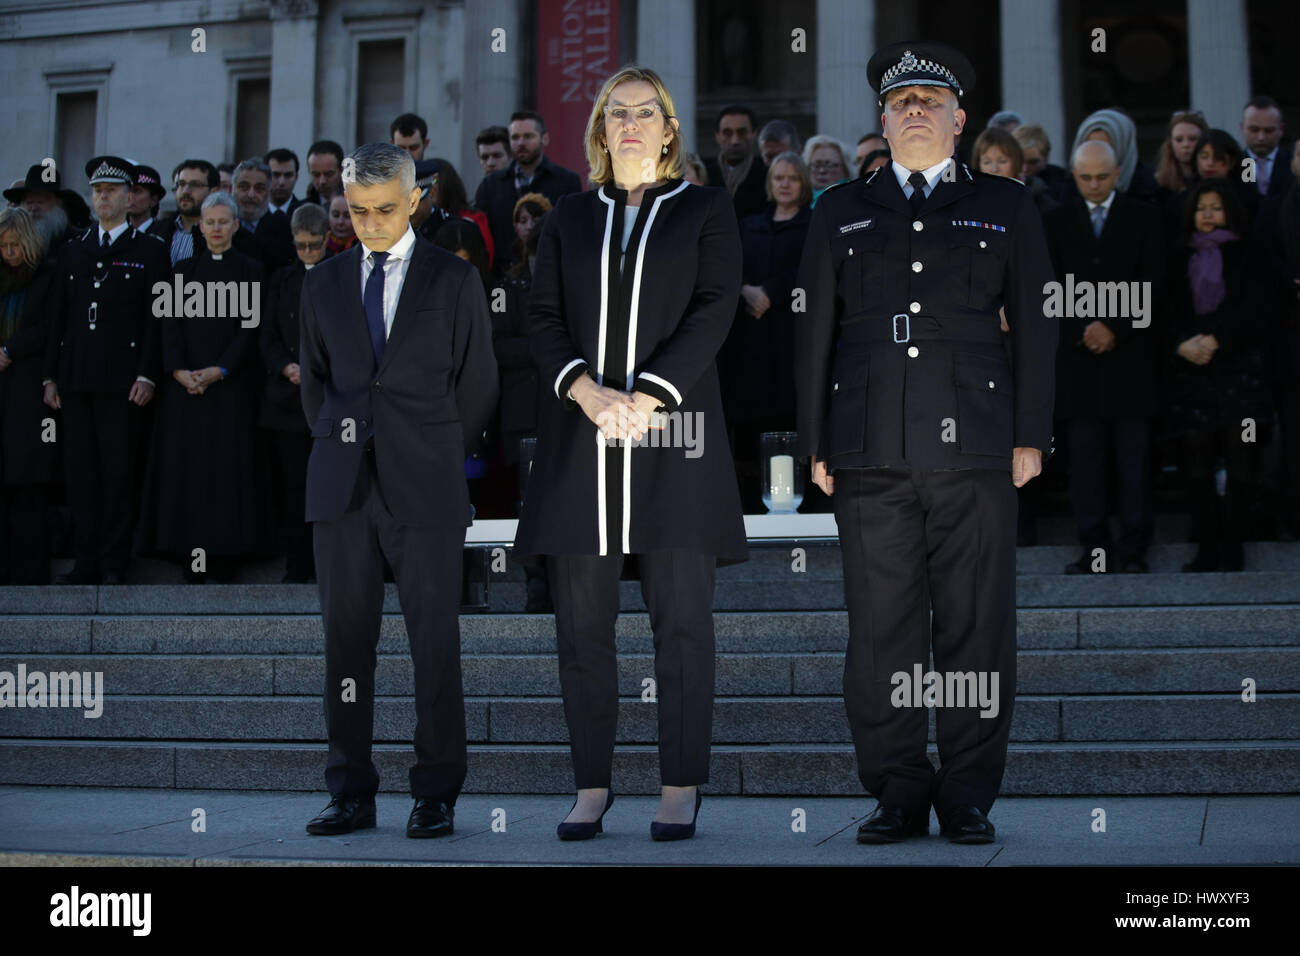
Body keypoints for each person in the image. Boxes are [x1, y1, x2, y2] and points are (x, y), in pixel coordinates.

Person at [795, 42, 1056, 845]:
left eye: (929, 99)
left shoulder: (1006, 205)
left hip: (977, 450)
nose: (914, 109)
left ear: (959, 118)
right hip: (869, 450)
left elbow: (1040, 327)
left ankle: (968, 790)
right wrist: (815, 442)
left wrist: (1031, 436)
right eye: (901, 99)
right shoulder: (841, 209)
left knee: (977, 627)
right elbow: (814, 336)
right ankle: (899, 786)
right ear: (881, 117)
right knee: (881, 633)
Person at [513, 65, 747, 842]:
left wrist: (646, 396)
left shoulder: (706, 209)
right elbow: (540, 318)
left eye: (647, 112)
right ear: (601, 131)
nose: (633, 124)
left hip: (675, 439)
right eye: (618, 114)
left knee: (682, 623)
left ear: (671, 129)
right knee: (582, 629)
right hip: (584, 444)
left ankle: (679, 784)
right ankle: (591, 785)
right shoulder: (569, 219)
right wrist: (587, 392)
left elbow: (715, 308)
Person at [299, 143, 498, 839]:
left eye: (385, 209)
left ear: (415, 200)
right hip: (342, 486)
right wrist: (347, 442)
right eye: (357, 211)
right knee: (344, 646)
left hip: (427, 484)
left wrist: (432, 450)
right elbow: (316, 387)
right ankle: (350, 791)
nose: (372, 223)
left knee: (434, 644)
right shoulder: (321, 283)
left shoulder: (454, 279)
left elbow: (478, 385)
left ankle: (436, 791)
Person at [42, 156, 170, 585]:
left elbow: (158, 320)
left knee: (118, 474)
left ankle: (115, 562)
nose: (103, 198)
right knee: (81, 475)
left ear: (130, 197)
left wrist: (148, 373)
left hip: (124, 382)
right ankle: (86, 560)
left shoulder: (150, 251)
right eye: (98, 191)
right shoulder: (74, 250)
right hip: (77, 380)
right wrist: (49, 376)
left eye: (112, 191)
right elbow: (57, 318)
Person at [135, 192, 271, 582]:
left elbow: (250, 329)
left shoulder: (250, 270)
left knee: (227, 474)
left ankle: (226, 557)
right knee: (188, 475)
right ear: (201, 227)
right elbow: (168, 327)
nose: (215, 229)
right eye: (209, 222)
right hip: (185, 394)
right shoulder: (181, 272)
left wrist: (221, 369)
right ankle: (189, 557)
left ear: (235, 225)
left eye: (222, 222)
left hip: (229, 392)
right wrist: (179, 371)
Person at [1046, 140, 1164, 574]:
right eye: (1085, 178)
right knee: (1085, 464)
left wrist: (1116, 327)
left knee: (1134, 463)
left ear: (1117, 174)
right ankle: (1093, 550)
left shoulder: (1145, 218)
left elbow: (1155, 283)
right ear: (1074, 176)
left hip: (1131, 363)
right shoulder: (1055, 222)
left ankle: (1134, 551)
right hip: (1078, 366)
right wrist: (1083, 328)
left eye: (1101, 177)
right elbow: (1047, 287)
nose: (1093, 185)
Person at [1165, 179, 1271, 571]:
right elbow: (1164, 308)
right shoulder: (1176, 255)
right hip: (1190, 371)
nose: (1208, 215)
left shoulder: (1250, 253)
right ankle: (1207, 545)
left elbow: (1257, 307)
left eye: (1215, 207)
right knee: (1196, 458)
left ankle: (1233, 544)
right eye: (1201, 207)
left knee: (1241, 456)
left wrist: (1217, 339)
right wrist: (1183, 344)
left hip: (1238, 369)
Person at [718, 151, 812, 513]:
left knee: (788, 417)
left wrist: (772, 292)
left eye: (792, 178)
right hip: (751, 343)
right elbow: (730, 267)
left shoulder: (813, 224)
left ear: (802, 184)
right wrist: (746, 290)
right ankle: (752, 509)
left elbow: (813, 272)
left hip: (790, 340)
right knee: (750, 421)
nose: (784, 184)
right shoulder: (749, 225)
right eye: (778, 178)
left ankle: (791, 504)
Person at [258, 202, 330, 583]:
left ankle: (327, 563)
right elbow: (266, 333)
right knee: (292, 487)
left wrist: (319, 369)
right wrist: (285, 366)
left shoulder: (341, 274)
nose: (307, 253)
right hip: (287, 402)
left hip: (329, 400)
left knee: (330, 485)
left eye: (314, 245)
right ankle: (297, 564)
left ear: (326, 239)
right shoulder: (282, 280)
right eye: (301, 245)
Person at [0, 208, 58, 584]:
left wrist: (10, 350)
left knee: (29, 481)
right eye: (3, 246)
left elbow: (48, 327)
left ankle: (30, 570)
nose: (9, 252)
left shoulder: (47, 275)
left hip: (29, 389)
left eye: (15, 245)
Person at [474, 111, 583, 276]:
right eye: (515, 137)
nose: (521, 143)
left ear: (544, 138)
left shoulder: (567, 181)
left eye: (528, 136)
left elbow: (574, 235)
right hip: (502, 280)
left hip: (551, 275)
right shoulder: (490, 185)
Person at [1066, 109, 1159, 205]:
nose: (1098, 154)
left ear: (1123, 146)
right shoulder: (1067, 192)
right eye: (1091, 146)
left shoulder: (1151, 190)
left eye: (1106, 147)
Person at [3, 164, 89, 256]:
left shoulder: (78, 239)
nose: (34, 208)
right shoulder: (9, 239)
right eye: (29, 203)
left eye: (40, 202)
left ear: (57, 204)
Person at [425, 158, 495, 269]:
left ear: (447, 183)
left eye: (434, 181)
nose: (429, 188)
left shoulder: (472, 220)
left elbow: (484, 261)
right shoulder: (423, 223)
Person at [704, 104, 768, 221]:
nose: (735, 141)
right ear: (717, 135)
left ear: (754, 134)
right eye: (727, 133)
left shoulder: (768, 176)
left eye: (742, 132)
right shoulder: (704, 176)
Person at [232, 157, 295, 274]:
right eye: (244, 187)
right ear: (233, 189)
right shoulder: (221, 226)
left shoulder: (284, 228)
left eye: (259, 188)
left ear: (269, 191)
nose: (251, 194)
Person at [155, 159, 218, 266]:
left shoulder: (224, 236)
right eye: (182, 184)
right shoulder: (156, 231)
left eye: (195, 184)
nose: (186, 191)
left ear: (213, 192)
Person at [1241, 95, 1290, 199]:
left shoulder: (1292, 163)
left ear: (1281, 129)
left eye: (1269, 131)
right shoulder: (1235, 164)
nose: (1261, 137)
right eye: (1254, 130)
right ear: (1242, 128)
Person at [1154, 110, 1208, 196]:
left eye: (1193, 139)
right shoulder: (1158, 183)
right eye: (1179, 140)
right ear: (1170, 143)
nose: (1186, 145)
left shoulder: (1216, 178)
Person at [1013, 122, 1069, 202]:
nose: (1025, 168)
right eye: (1019, 161)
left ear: (1046, 158)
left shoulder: (1063, 185)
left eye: (1032, 162)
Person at [804, 135, 853, 204]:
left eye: (830, 165)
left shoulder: (851, 200)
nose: (822, 171)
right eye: (817, 164)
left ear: (845, 169)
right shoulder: (799, 200)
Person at [125, 164, 167, 238]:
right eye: (127, 190)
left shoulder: (165, 234)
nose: (129, 196)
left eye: (137, 191)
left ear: (153, 200)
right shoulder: (119, 233)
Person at [264, 147, 304, 217]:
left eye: (288, 175)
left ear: (296, 177)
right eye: (275, 175)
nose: (281, 182)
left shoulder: (305, 214)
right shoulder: (254, 215)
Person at [304, 140, 345, 208]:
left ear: (342, 171)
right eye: (316, 175)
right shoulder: (301, 211)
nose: (322, 181)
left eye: (328, 174)